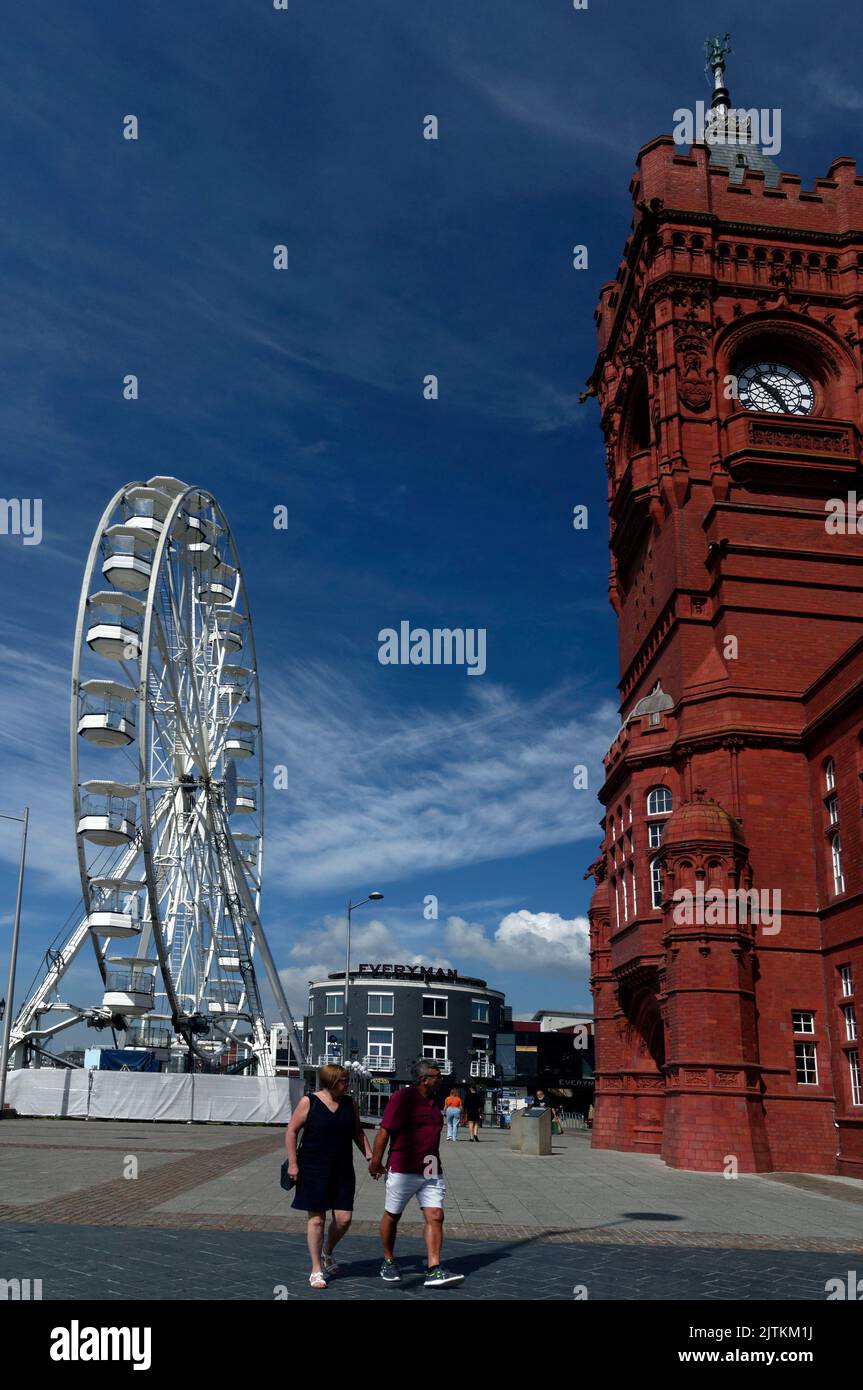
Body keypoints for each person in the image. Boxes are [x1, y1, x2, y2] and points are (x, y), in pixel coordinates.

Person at [369, 1060, 464, 1288]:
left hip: (431, 1166)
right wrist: (376, 1161)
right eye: (437, 1076)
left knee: (436, 1215)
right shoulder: (402, 1098)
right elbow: (384, 1131)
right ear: (424, 1079)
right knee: (393, 1215)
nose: (440, 1079)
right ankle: (388, 1260)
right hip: (403, 1166)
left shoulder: (434, 1101)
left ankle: (433, 1268)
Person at [285, 1064, 374, 1290]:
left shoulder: (349, 1104)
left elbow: (358, 1133)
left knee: (344, 1219)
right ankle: (316, 1269)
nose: (347, 1084)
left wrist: (371, 1158)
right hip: (313, 1168)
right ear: (331, 1081)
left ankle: (327, 1251)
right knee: (317, 1219)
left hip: (343, 1169)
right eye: (344, 1080)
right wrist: (293, 1164)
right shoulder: (310, 1102)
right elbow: (292, 1130)